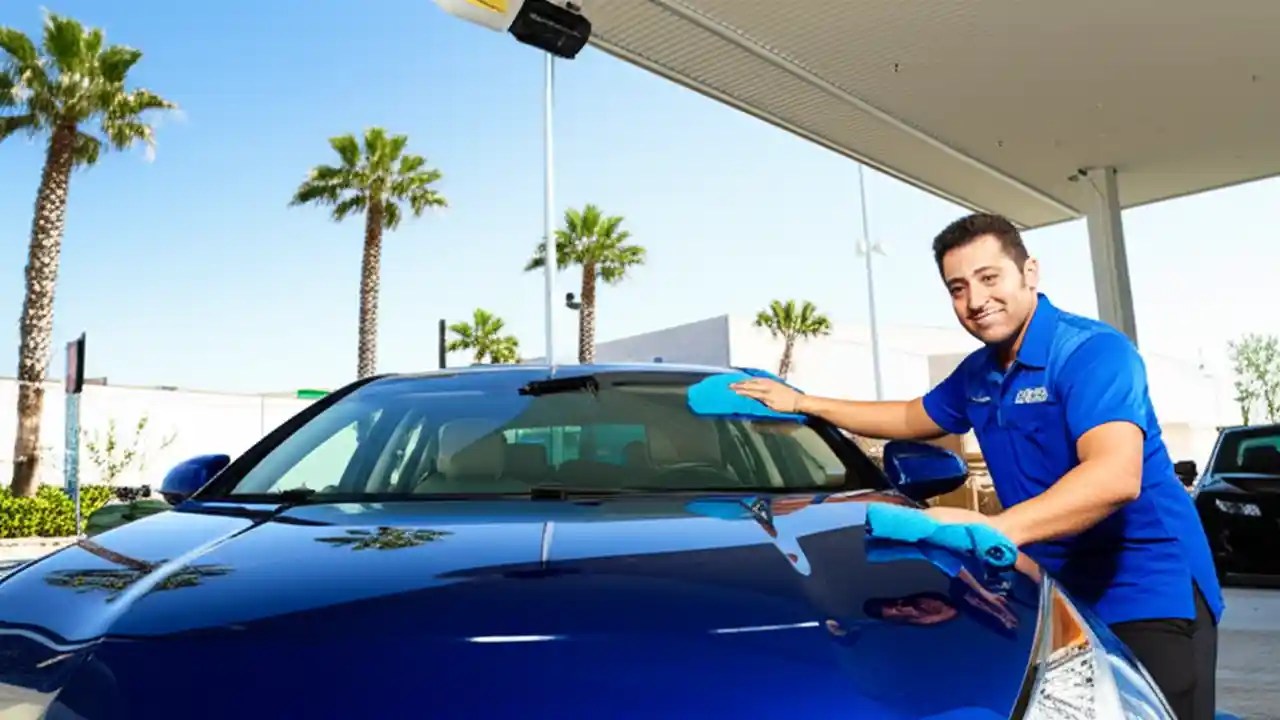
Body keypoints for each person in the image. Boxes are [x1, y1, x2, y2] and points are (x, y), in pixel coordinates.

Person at [732, 212, 1222, 720]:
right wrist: (803, 402)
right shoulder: (977, 373)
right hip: (1050, 582)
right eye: (958, 288)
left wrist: (989, 530)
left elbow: (1115, 477)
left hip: (1148, 586)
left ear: (1029, 273)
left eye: (989, 278)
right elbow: (909, 416)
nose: (975, 300)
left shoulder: (1092, 353)